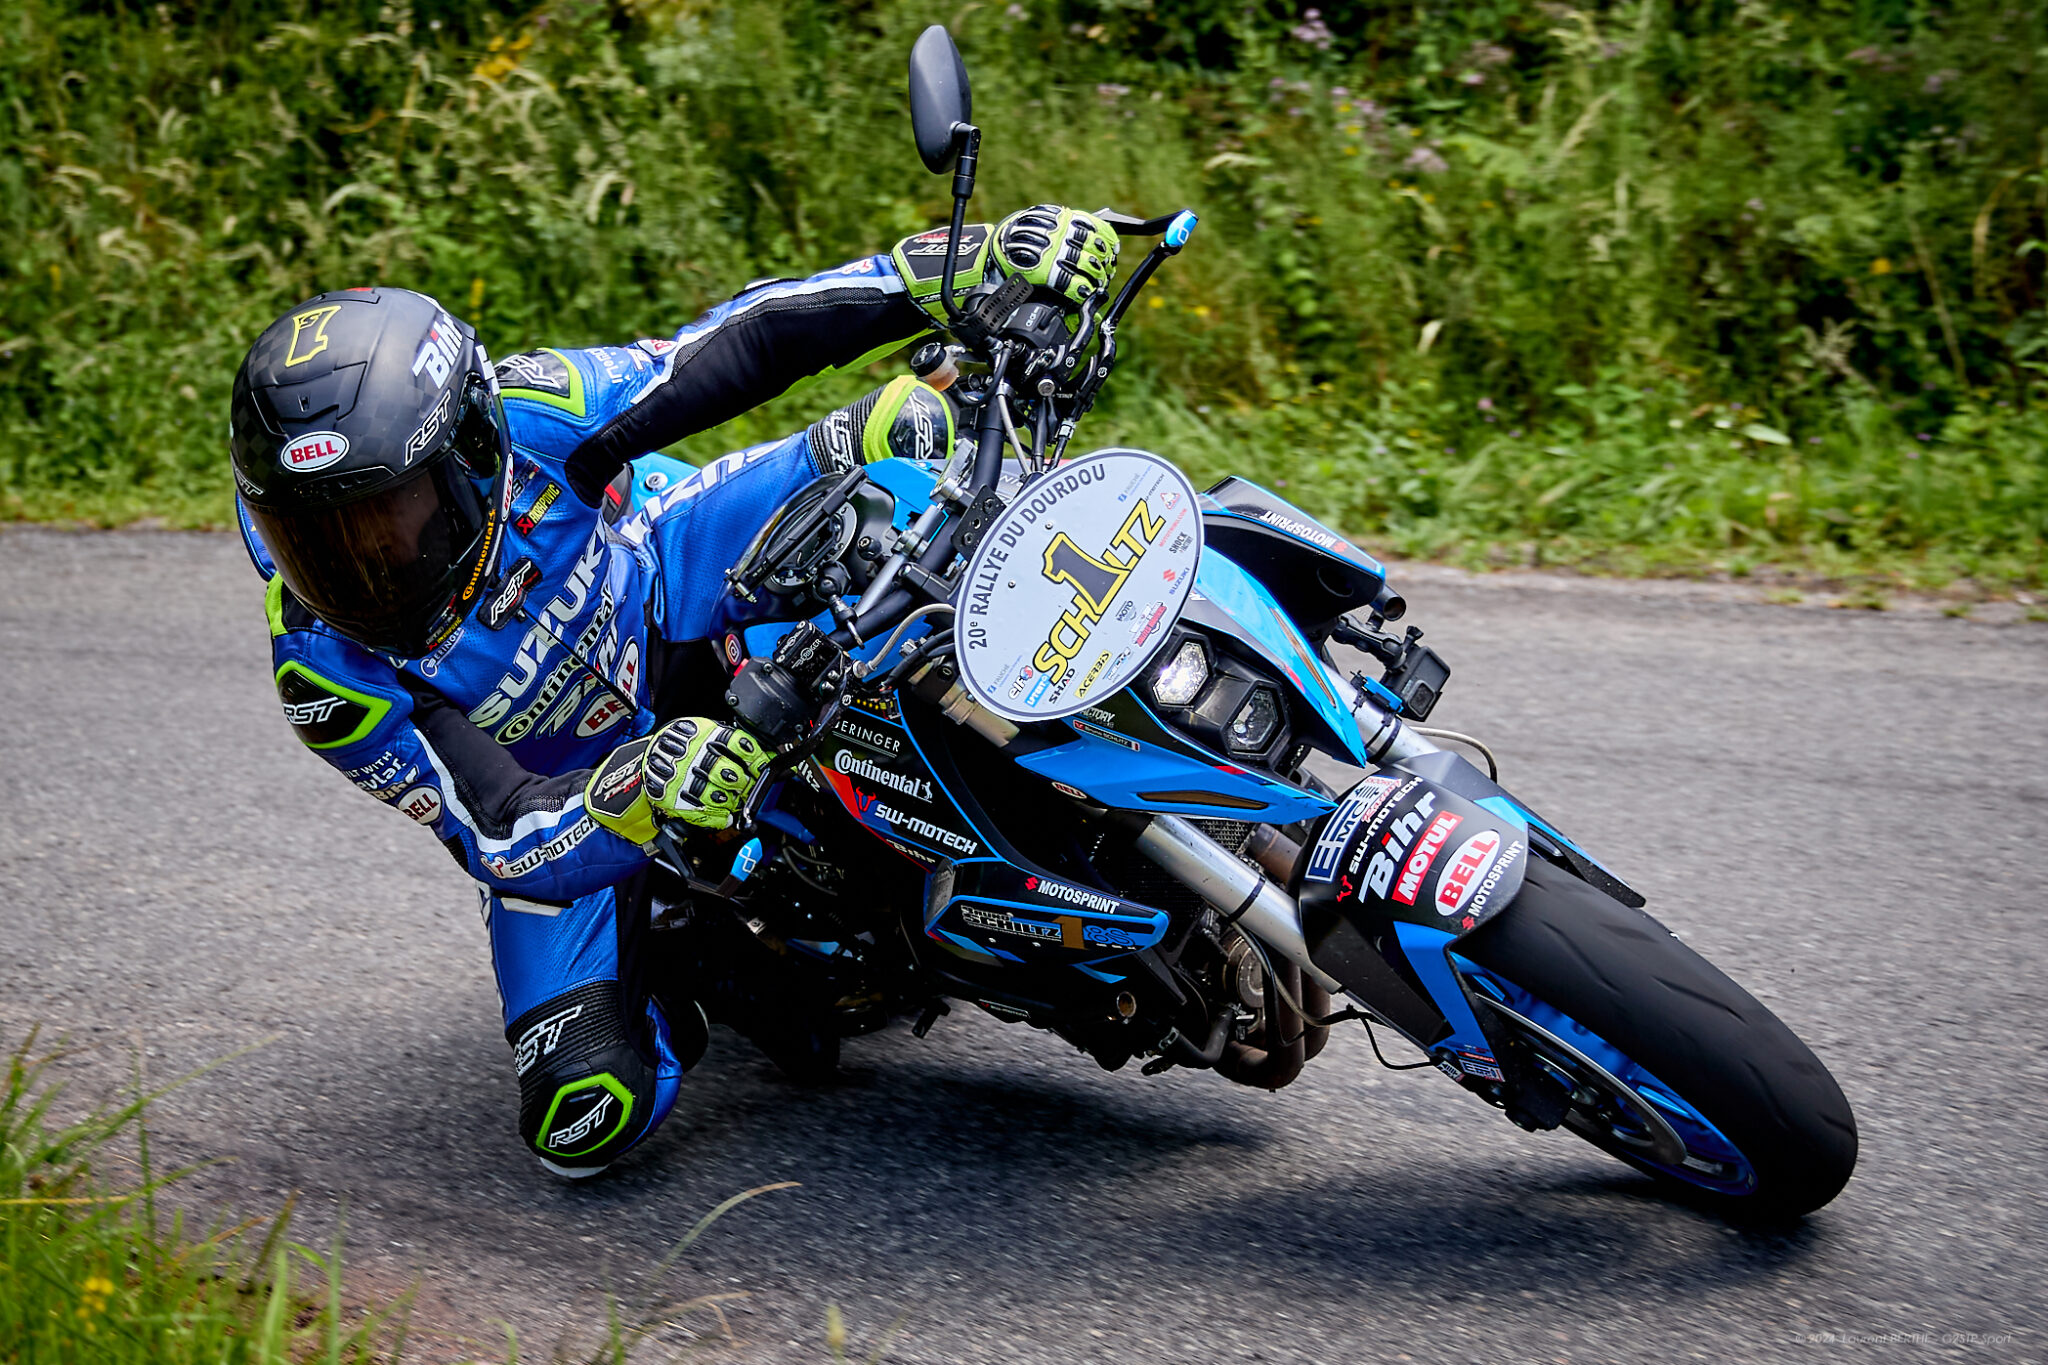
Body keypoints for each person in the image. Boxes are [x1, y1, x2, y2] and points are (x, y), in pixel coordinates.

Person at [228, 207, 1120, 1177]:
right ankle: (692, 947)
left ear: (473, 453)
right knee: (585, 1114)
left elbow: (735, 343)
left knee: (896, 445)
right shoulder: (322, 671)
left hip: (669, 587)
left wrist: (947, 268)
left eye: (392, 521)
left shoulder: (538, 411)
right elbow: (495, 833)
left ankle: (1070, 711)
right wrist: (631, 794)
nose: (367, 571)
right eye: (317, 544)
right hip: (591, 798)